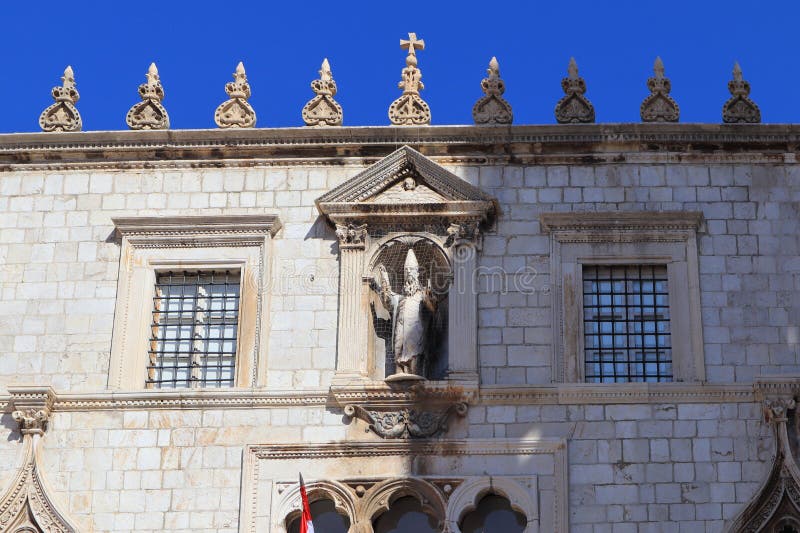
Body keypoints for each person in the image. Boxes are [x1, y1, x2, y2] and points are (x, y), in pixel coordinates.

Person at [375, 249, 437, 377]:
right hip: (400, 328)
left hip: (416, 329)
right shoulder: (401, 298)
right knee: (398, 350)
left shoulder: (421, 295)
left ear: (417, 273)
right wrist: (385, 280)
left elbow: (433, 311)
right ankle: (399, 374)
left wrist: (428, 299)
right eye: (406, 270)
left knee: (414, 353)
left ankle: (415, 375)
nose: (408, 272)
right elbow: (388, 301)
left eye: (411, 270)